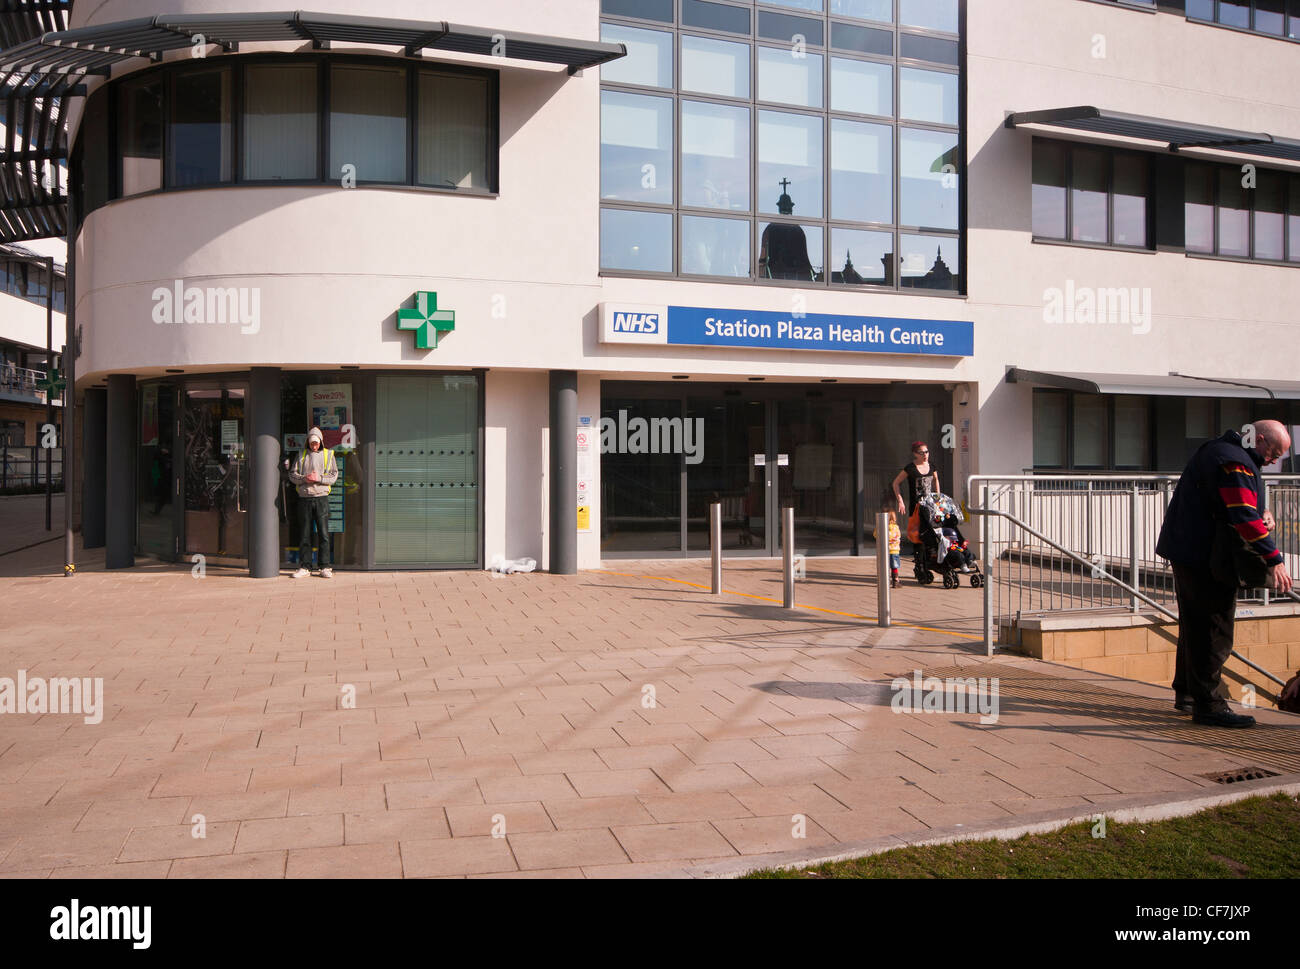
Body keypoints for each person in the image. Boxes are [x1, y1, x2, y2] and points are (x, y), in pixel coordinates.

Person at [1156, 420, 1293, 728]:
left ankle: (1189, 693)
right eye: (1273, 453)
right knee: (1214, 629)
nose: (1273, 462)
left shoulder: (1223, 450)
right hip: (1206, 558)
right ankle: (1209, 705)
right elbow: (1242, 514)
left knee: (1194, 624)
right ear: (1258, 439)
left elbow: (1238, 505)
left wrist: (1262, 514)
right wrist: (1274, 559)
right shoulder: (1235, 463)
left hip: (1187, 551)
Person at [289, 426, 338, 578]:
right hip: (305, 498)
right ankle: (305, 566)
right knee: (304, 534)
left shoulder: (329, 455)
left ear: (321, 442)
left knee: (323, 533)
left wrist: (319, 479)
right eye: (312, 443)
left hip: (321, 498)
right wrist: (304, 478)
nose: (314, 445)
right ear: (308, 442)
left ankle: (325, 566)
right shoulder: (301, 455)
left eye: (316, 443)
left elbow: (334, 476)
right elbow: (292, 474)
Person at [892, 441, 941, 519]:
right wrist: (900, 501)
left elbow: (935, 479)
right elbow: (895, 483)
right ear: (915, 454)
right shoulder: (910, 468)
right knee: (916, 530)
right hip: (916, 508)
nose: (925, 455)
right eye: (921, 453)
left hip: (931, 506)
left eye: (926, 452)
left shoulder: (932, 466)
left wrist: (938, 497)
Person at [873, 499, 901, 588]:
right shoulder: (896, 528)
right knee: (894, 567)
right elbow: (899, 536)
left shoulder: (882, 527)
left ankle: (885, 581)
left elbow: (875, 535)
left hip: (884, 550)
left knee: (884, 567)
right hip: (895, 551)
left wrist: (876, 528)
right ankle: (896, 581)